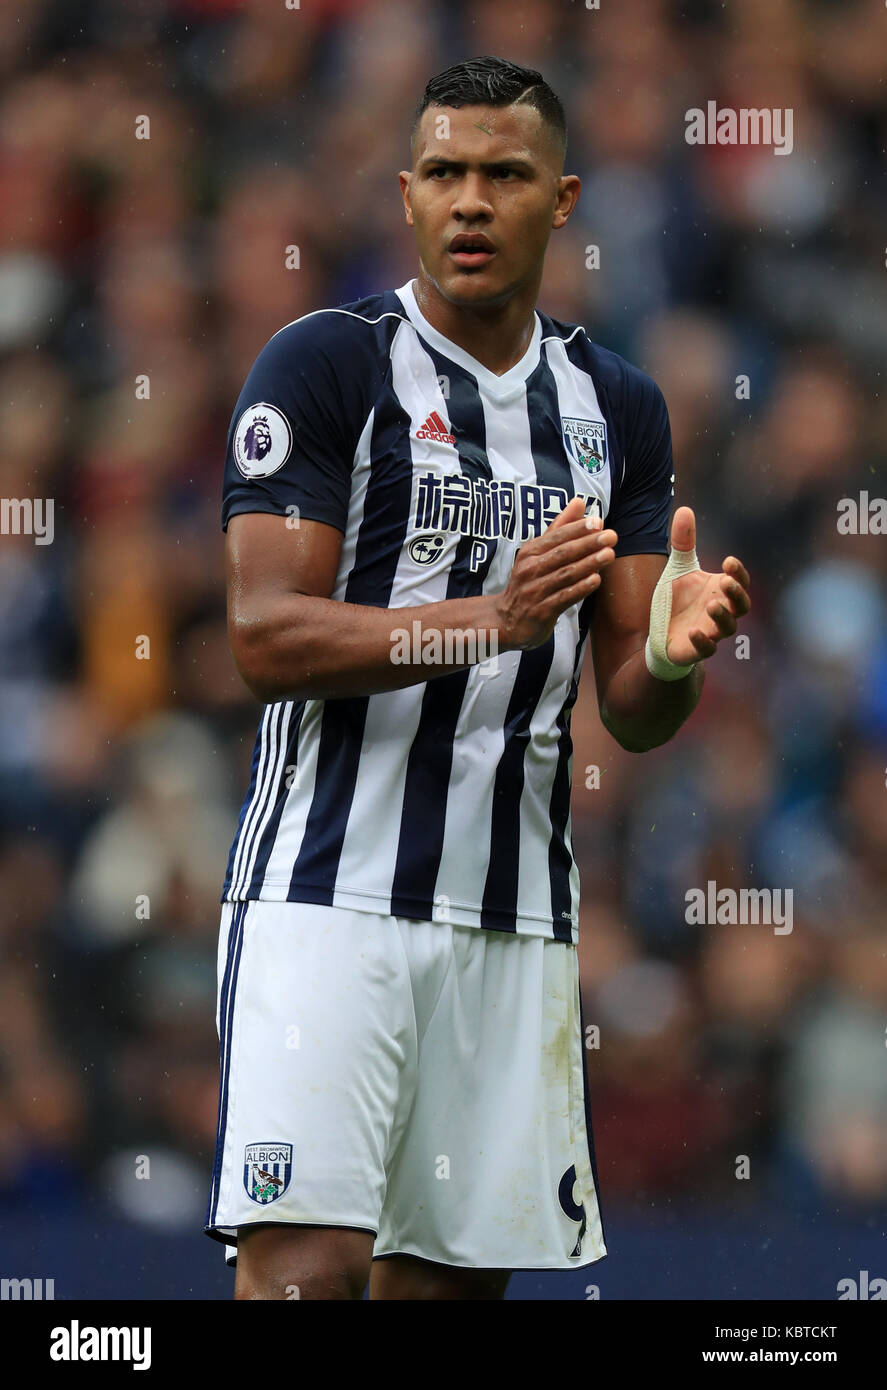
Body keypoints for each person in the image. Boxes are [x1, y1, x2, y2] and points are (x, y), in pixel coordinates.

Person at [204, 55, 751, 1300]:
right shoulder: (325, 365)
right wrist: (487, 624)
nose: (469, 201)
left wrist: (673, 658)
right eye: (443, 173)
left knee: (447, 1290)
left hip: (514, 922)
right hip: (326, 896)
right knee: (304, 1271)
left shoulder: (615, 408)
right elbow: (264, 638)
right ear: (404, 194)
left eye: (503, 175)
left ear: (560, 201)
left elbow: (632, 709)